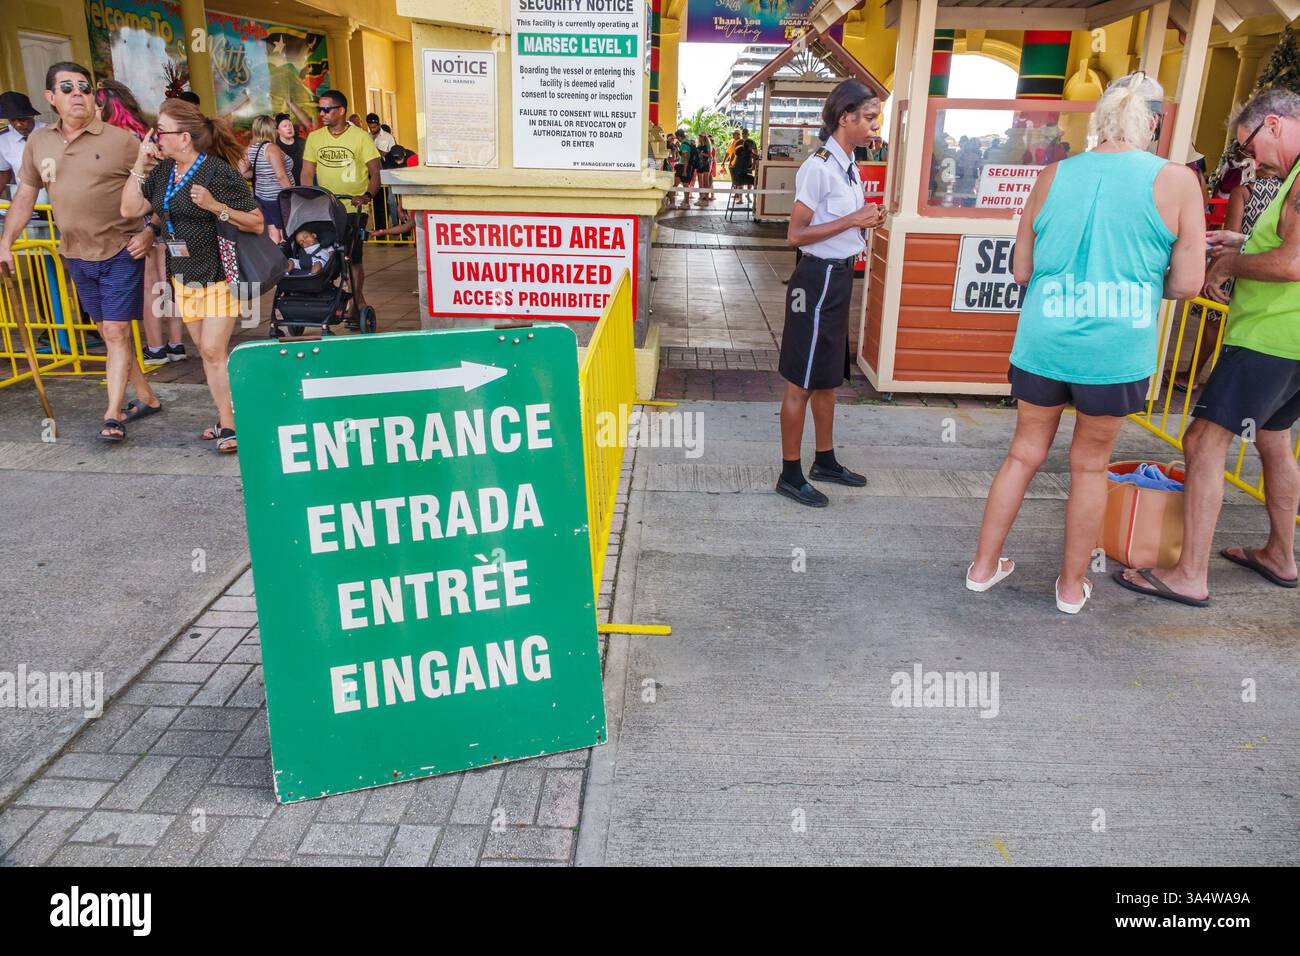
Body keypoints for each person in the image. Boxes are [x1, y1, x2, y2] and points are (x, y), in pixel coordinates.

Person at [965, 72, 1205, 613]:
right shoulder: (1176, 181)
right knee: (1090, 466)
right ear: (1154, 123)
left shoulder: (1053, 174)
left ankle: (982, 569)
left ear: (1100, 119)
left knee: (1024, 453)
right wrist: (1142, 283)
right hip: (1116, 348)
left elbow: (1022, 270)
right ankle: (1071, 587)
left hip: (1045, 337)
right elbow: (1190, 284)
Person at [1118, 87, 1300, 606]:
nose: (1251, 159)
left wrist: (1226, 265)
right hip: (1290, 341)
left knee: (1202, 441)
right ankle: (1280, 556)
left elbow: (1292, 264)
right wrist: (1241, 243)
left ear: (1273, 125)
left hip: (1272, 336)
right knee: (1273, 438)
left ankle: (1189, 575)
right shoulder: (1290, 176)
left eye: (1249, 146)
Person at [0, 63, 163, 442]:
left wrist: (151, 231)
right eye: (68, 88)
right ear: (50, 98)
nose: (78, 94)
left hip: (121, 250)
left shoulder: (122, 141)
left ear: (94, 96)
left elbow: (163, 190)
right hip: (75, 254)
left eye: (85, 88)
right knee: (109, 332)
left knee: (118, 331)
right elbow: (25, 196)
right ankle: (147, 397)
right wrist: (5, 242)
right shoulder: (39, 143)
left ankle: (113, 414)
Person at [120, 96, 263, 455]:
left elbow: (257, 222)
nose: (156, 137)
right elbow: (129, 209)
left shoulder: (218, 172)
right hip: (183, 278)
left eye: (161, 131)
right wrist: (140, 161)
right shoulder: (164, 173)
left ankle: (232, 427)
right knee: (206, 353)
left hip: (218, 276)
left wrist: (216, 207)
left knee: (214, 350)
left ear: (184, 138)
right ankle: (226, 416)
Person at [775, 80, 886, 508]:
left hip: (839, 278)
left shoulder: (849, 164)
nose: (875, 126)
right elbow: (795, 234)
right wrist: (852, 219)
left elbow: (843, 221)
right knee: (801, 382)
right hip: (816, 282)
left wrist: (864, 220)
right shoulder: (819, 167)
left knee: (827, 380)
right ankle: (789, 474)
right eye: (870, 117)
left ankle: (824, 459)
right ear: (846, 118)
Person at [95, 78, 187, 368]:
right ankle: (176, 343)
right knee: (168, 282)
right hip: (163, 214)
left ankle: (156, 347)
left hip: (140, 218)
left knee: (149, 286)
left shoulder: (115, 141)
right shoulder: (145, 134)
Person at [301, 89, 381, 328]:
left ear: (341, 110)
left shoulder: (360, 137)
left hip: (352, 207)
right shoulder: (315, 138)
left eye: (327, 109)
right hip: (324, 207)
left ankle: (356, 303)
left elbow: (376, 173)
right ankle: (342, 302)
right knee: (325, 255)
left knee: (352, 259)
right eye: (320, 110)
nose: (322, 114)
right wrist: (308, 194)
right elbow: (307, 172)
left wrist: (366, 195)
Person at [240, 114, 294, 243]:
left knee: (273, 232)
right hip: (278, 197)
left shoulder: (249, 148)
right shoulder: (272, 148)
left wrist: (262, 173)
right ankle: (287, 260)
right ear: (270, 129)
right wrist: (293, 195)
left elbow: (242, 172)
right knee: (285, 233)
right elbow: (281, 176)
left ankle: (276, 259)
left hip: (262, 196)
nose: (276, 131)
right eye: (275, 127)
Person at [0, 91, 45, 197]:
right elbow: (4, 173)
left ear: (32, 115)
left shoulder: (50, 132)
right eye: (12, 120)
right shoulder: (3, 140)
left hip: (55, 200)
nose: (18, 124)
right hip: (24, 200)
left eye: (22, 119)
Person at [275, 113, 304, 186]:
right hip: (286, 186)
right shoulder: (275, 147)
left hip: (304, 184)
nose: (289, 128)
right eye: (285, 126)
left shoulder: (302, 142)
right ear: (278, 131)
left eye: (290, 125)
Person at [673, 128, 694, 207]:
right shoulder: (688, 142)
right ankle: (686, 201)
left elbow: (685, 158)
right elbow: (684, 155)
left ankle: (685, 202)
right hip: (687, 166)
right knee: (685, 185)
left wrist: (684, 171)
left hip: (683, 166)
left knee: (676, 184)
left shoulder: (684, 144)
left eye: (677, 137)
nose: (677, 139)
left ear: (679, 136)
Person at [694, 133, 714, 204]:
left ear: (704, 137)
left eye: (701, 136)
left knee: (706, 182)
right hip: (699, 164)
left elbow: (709, 155)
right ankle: (702, 197)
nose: (700, 137)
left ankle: (706, 198)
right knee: (700, 182)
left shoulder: (707, 145)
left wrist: (701, 154)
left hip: (705, 164)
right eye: (699, 136)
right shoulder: (699, 145)